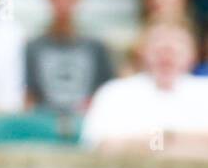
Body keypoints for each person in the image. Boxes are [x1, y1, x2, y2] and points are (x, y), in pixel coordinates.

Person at [81, 23, 208, 156]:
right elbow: (99, 145)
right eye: (159, 46)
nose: (167, 53)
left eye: (176, 46)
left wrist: (162, 138)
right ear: (142, 51)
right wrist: (169, 140)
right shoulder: (114, 92)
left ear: (192, 53)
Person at [25, 0, 114, 130]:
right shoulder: (33, 47)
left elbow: (107, 93)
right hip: (44, 124)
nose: (62, 0)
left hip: (87, 124)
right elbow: (29, 97)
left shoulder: (96, 46)